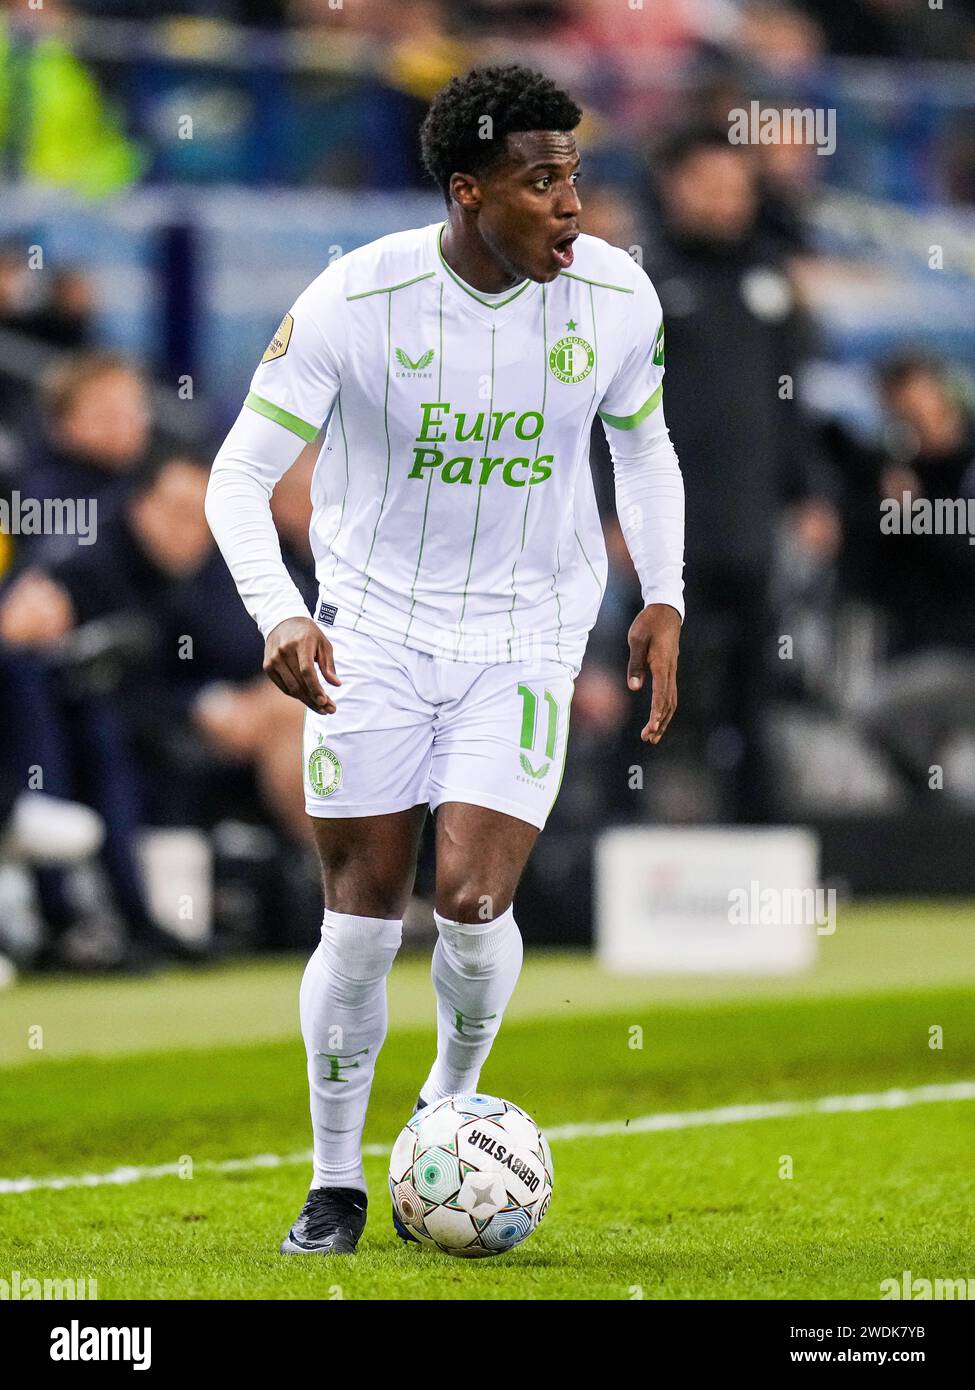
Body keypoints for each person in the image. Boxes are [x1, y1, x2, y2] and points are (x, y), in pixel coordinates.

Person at [205, 63, 685, 1256]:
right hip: (372, 628)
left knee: (472, 897)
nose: (572, 204)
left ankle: (443, 1108)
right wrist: (279, 610)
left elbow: (649, 452)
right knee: (362, 919)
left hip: (526, 631)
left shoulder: (618, 297)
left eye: (575, 174)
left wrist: (665, 595)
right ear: (469, 192)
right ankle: (334, 1182)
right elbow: (237, 477)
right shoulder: (354, 301)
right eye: (541, 181)